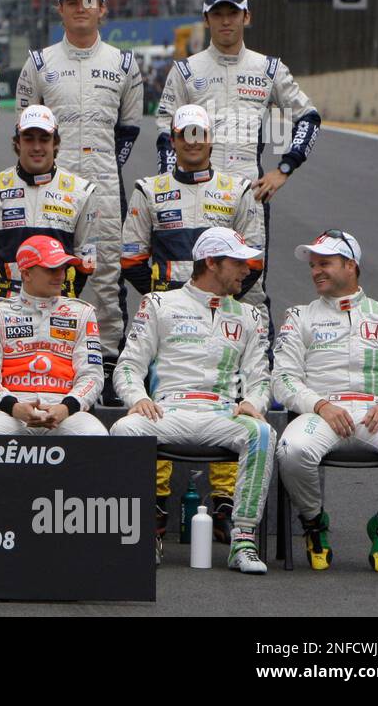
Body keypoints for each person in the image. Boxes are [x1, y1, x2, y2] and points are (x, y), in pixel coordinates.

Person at [122, 104, 266, 539]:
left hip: (226, 306)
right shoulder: (149, 189)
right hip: (168, 312)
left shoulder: (238, 189)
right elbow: (131, 258)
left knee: (227, 385)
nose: (193, 141)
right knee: (160, 391)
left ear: (210, 138)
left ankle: (225, 502)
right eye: (185, 133)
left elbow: (254, 259)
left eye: (200, 133)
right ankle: (158, 500)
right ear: (172, 137)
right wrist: (169, 298)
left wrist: (221, 299)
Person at [155, 0, 321, 329]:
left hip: (249, 193)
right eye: (218, 14)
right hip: (194, 191)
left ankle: (258, 372)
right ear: (206, 19)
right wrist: (170, 185)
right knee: (191, 280)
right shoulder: (186, 70)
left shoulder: (268, 68)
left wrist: (284, 169)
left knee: (250, 287)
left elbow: (309, 117)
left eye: (233, 13)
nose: (226, 21)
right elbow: (164, 133)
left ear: (247, 16)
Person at [111, 228, 273, 572]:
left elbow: (260, 377)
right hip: (168, 408)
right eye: (239, 263)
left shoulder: (250, 316)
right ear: (211, 262)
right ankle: (141, 535)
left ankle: (243, 540)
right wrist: (137, 397)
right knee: (125, 429)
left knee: (262, 433)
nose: (247, 270)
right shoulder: (159, 303)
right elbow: (128, 367)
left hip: (222, 411)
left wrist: (254, 402)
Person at [274, 230, 378, 573]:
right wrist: (320, 405)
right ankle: (314, 523)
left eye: (325, 263)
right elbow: (283, 379)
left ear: (351, 265)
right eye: (313, 265)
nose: (316, 270)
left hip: (376, 413)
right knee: (292, 450)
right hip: (322, 411)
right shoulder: (298, 317)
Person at [15, 0, 143, 400]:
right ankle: (42, 361)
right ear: (61, 9)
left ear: (103, 9)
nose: (81, 7)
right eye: (72, 1)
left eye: (89, 1)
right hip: (52, 184)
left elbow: (128, 130)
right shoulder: (39, 62)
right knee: (46, 271)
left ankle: (107, 367)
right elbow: (24, 127)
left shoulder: (124, 63)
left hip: (105, 182)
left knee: (106, 277)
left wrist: (102, 171)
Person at [0, 236, 106, 436]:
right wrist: (14, 407)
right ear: (26, 273)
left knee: (98, 437)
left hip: (65, 409)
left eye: (63, 268)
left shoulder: (82, 313)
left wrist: (66, 407)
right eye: (52, 269)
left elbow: (92, 375)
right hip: (11, 410)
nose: (61, 275)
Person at [0, 104, 98, 300]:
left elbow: (85, 260)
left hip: (60, 302)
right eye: (29, 139)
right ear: (18, 142)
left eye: (44, 139)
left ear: (55, 143)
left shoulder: (81, 192)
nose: (37, 147)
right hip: (7, 302)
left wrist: (55, 289)